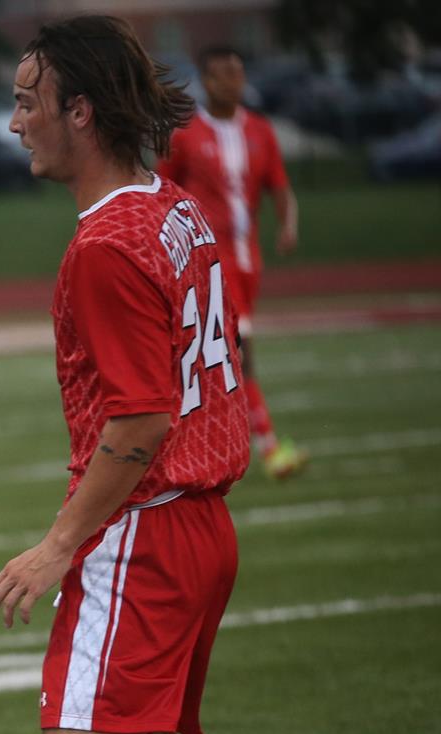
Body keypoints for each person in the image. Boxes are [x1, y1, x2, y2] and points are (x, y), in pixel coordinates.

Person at [0, 15, 290, 734]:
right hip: (203, 527)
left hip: (144, 529)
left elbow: (137, 418)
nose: (12, 117)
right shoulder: (174, 214)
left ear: (80, 110)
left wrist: (56, 543)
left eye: (28, 97)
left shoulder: (104, 244)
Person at [157, 46, 304, 480]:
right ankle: (271, 448)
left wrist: (287, 224)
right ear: (205, 81)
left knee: (215, 358)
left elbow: (280, 185)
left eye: (238, 73)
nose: (233, 82)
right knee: (240, 351)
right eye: (223, 75)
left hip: (248, 262)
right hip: (209, 262)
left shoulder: (260, 131)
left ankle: (192, 443)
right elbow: (161, 189)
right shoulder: (185, 134)